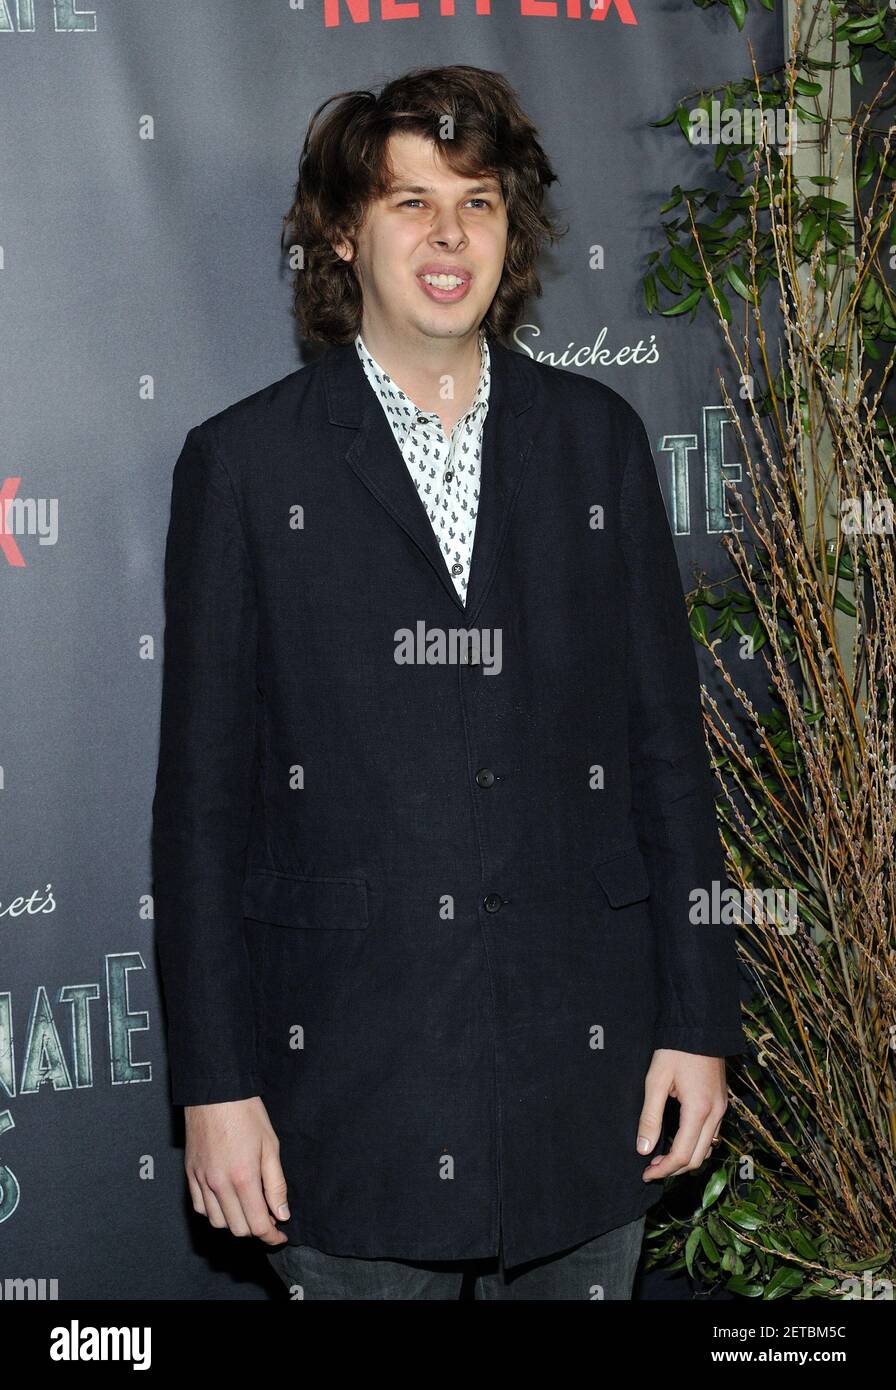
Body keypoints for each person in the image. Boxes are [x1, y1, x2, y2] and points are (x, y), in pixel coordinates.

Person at [151, 64, 746, 1302]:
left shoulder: (598, 443)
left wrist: (697, 1020)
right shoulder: (245, 468)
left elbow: (664, 758)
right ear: (338, 233)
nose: (446, 237)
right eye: (406, 202)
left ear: (508, 230)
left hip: (580, 1090)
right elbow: (202, 812)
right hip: (349, 1101)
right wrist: (215, 1085)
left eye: (474, 202)